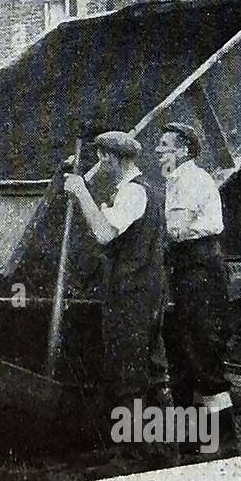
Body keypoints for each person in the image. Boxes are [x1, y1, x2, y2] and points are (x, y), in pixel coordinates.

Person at [62, 131, 173, 463]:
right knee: (151, 369)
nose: (99, 165)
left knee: (128, 372)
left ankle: (131, 455)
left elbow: (103, 232)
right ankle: (163, 450)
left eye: (101, 159)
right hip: (145, 291)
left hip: (132, 294)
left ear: (112, 159)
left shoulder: (133, 195)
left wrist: (81, 191)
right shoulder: (144, 190)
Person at [155, 122, 236, 454]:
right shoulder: (175, 181)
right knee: (183, 355)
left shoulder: (190, 180)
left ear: (183, 151)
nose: (158, 151)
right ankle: (193, 439)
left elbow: (176, 230)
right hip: (185, 267)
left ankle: (224, 441)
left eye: (165, 146)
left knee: (203, 352)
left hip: (200, 268)